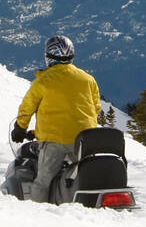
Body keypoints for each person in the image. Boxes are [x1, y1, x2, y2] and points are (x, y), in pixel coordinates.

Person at [11, 36, 101, 203]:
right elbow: (96, 108)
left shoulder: (43, 81)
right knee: (85, 176)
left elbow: (27, 108)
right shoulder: (88, 79)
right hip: (85, 140)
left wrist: (20, 128)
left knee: (42, 182)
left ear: (48, 56)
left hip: (55, 140)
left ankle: (39, 214)